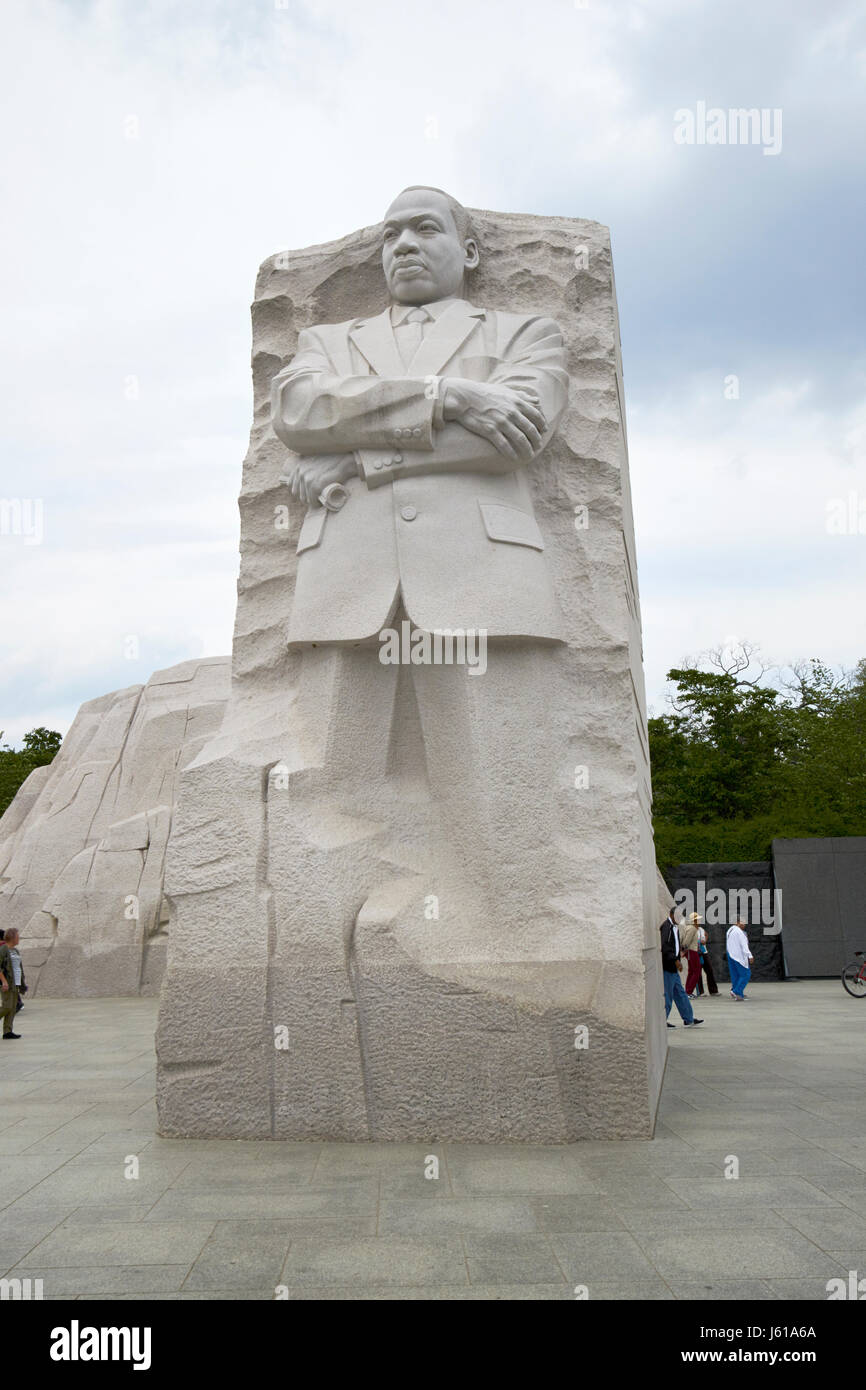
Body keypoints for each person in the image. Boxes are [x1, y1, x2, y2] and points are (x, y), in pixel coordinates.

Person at [659, 908, 704, 1028]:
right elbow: (665, 947)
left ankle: (688, 1019)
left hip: (673, 967)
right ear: (671, 915)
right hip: (668, 967)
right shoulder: (667, 927)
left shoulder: (674, 927)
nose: (680, 918)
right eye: (678, 916)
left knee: (680, 994)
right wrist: (675, 960)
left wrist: (679, 956)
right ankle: (662, 1021)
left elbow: (676, 945)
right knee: (668, 996)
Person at [0, 927, 26, 1039]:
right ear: (12, 937)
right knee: (7, 1007)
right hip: (6, 983)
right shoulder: (3, 949)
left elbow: (18, 968)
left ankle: (7, 1031)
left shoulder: (15, 951)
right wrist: (4, 981)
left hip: (15, 983)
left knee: (13, 1007)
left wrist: (22, 983)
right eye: (17, 936)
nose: (19, 938)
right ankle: (7, 1030)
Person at [726, 918, 753, 1000]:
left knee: (735, 975)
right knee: (746, 974)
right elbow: (744, 945)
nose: (744, 925)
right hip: (738, 956)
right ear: (737, 923)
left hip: (731, 955)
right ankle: (737, 992)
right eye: (743, 923)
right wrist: (750, 955)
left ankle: (736, 992)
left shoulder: (730, 930)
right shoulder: (739, 932)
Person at [681, 911, 703, 998]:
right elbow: (686, 941)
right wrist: (684, 951)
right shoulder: (692, 928)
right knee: (696, 971)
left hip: (690, 951)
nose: (699, 921)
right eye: (697, 919)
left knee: (691, 971)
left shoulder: (689, 927)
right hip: (691, 951)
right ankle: (688, 992)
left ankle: (687, 991)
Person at [696, 921, 718, 996]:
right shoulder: (691, 930)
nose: (698, 922)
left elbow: (706, 934)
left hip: (704, 952)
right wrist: (698, 942)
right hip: (696, 953)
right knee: (698, 972)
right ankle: (700, 992)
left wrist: (705, 939)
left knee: (710, 970)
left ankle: (713, 991)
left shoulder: (701, 929)